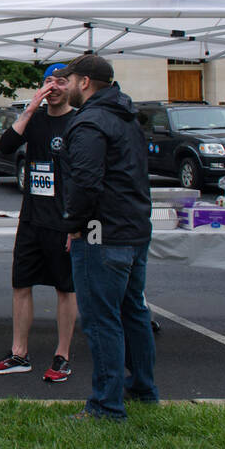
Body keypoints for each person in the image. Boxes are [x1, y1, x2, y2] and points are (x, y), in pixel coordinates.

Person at [58, 54, 156, 421]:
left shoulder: (90, 123)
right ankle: (143, 389)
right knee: (134, 312)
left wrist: (74, 225)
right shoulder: (127, 116)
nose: (64, 87)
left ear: (84, 82)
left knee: (102, 319)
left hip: (103, 233)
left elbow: (85, 182)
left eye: (67, 80)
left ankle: (106, 406)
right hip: (134, 229)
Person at [0, 63, 79, 383]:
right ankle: (19, 353)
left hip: (64, 221)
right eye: (48, 81)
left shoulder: (78, 122)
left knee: (65, 289)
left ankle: (63, 355)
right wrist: (29, 108)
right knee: (20, 285)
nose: (53, 87)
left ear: (73, 86)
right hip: (31, 218)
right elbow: (6, 146)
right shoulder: (35, 119)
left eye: (61, 82)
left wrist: (77, 224)